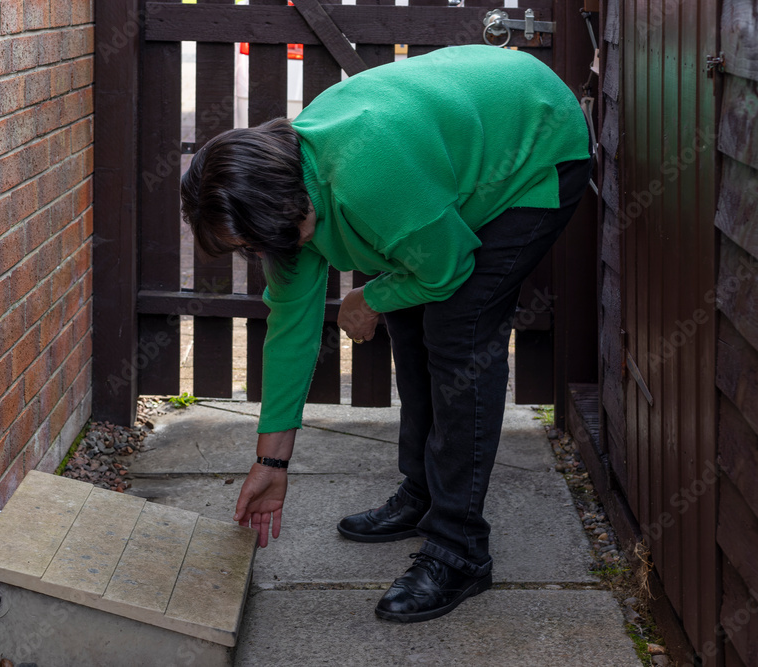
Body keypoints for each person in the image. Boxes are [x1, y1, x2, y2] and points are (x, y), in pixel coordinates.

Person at [180, 44, 593, 623]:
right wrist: (271, 466)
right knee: (409, 313)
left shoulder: (369, 176)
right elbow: (291, 332)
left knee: (458, 331)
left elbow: (448, 268)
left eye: (255, 242)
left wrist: (368, 296)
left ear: (287, 200)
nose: (257, 254)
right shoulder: (277, 200)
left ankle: (460, 550)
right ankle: (422, 493)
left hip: (534, 140)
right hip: (448, 154)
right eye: (246, 247)